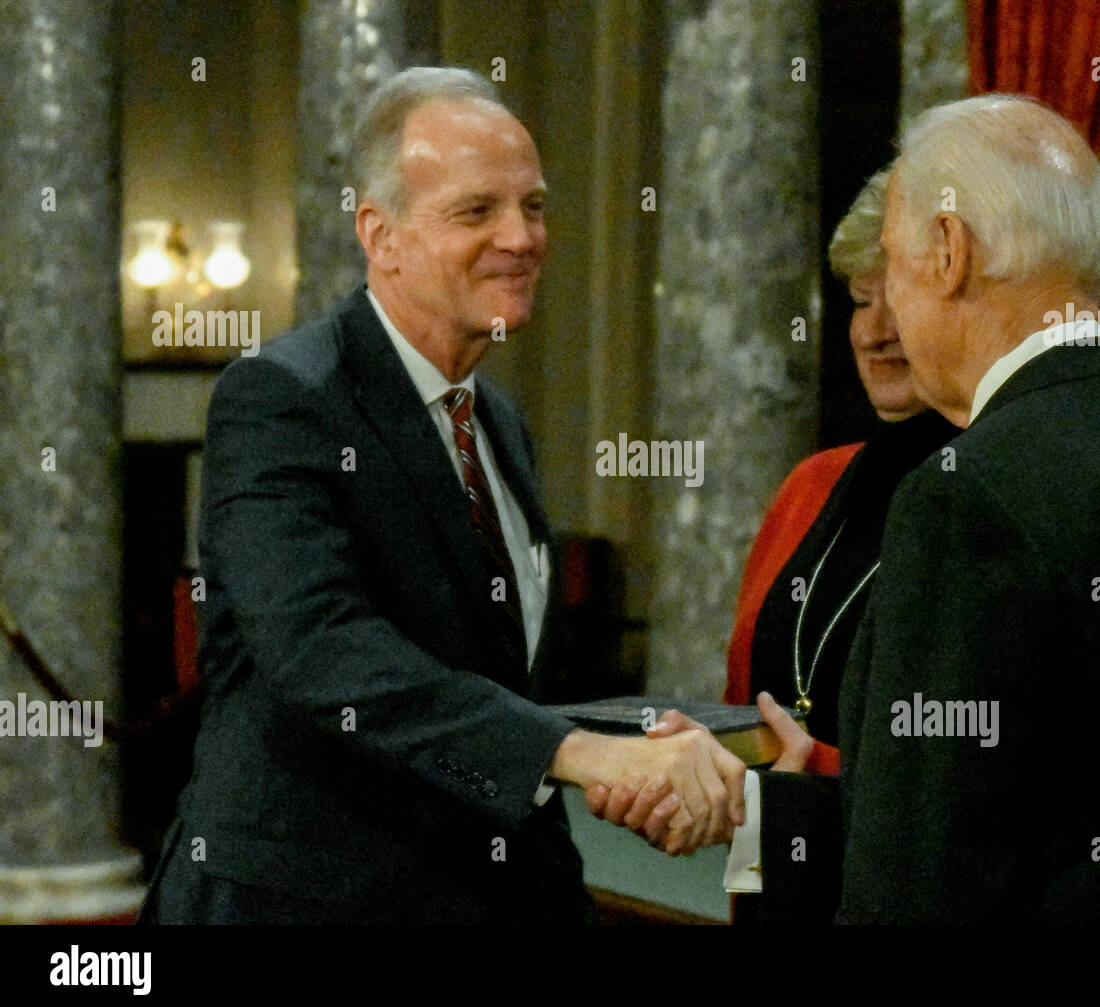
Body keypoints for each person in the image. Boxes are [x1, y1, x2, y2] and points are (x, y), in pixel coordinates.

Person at [596, 93, 1100, 924]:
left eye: (893, 262)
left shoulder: (965, 495)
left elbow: (920, 885)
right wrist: (755, 808)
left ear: (948, 253)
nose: (888, 316)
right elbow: (1043, 816)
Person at [138, 66, 744, 925]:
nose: (522, 237)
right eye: (477, 211)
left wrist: (631, 749)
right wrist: (577, 755)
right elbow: (322, 649)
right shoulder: (281, 396)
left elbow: (491, 678)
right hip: (306, 902)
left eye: (533, 206)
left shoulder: (495, 419)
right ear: (380, 235)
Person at [725, 169, 958, 766]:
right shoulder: (812, 483)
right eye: (860, 302)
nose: (876, 332)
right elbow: (736, 704)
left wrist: (813, 770)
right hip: (772, 850)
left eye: (899, 302)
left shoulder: (1001, 488)